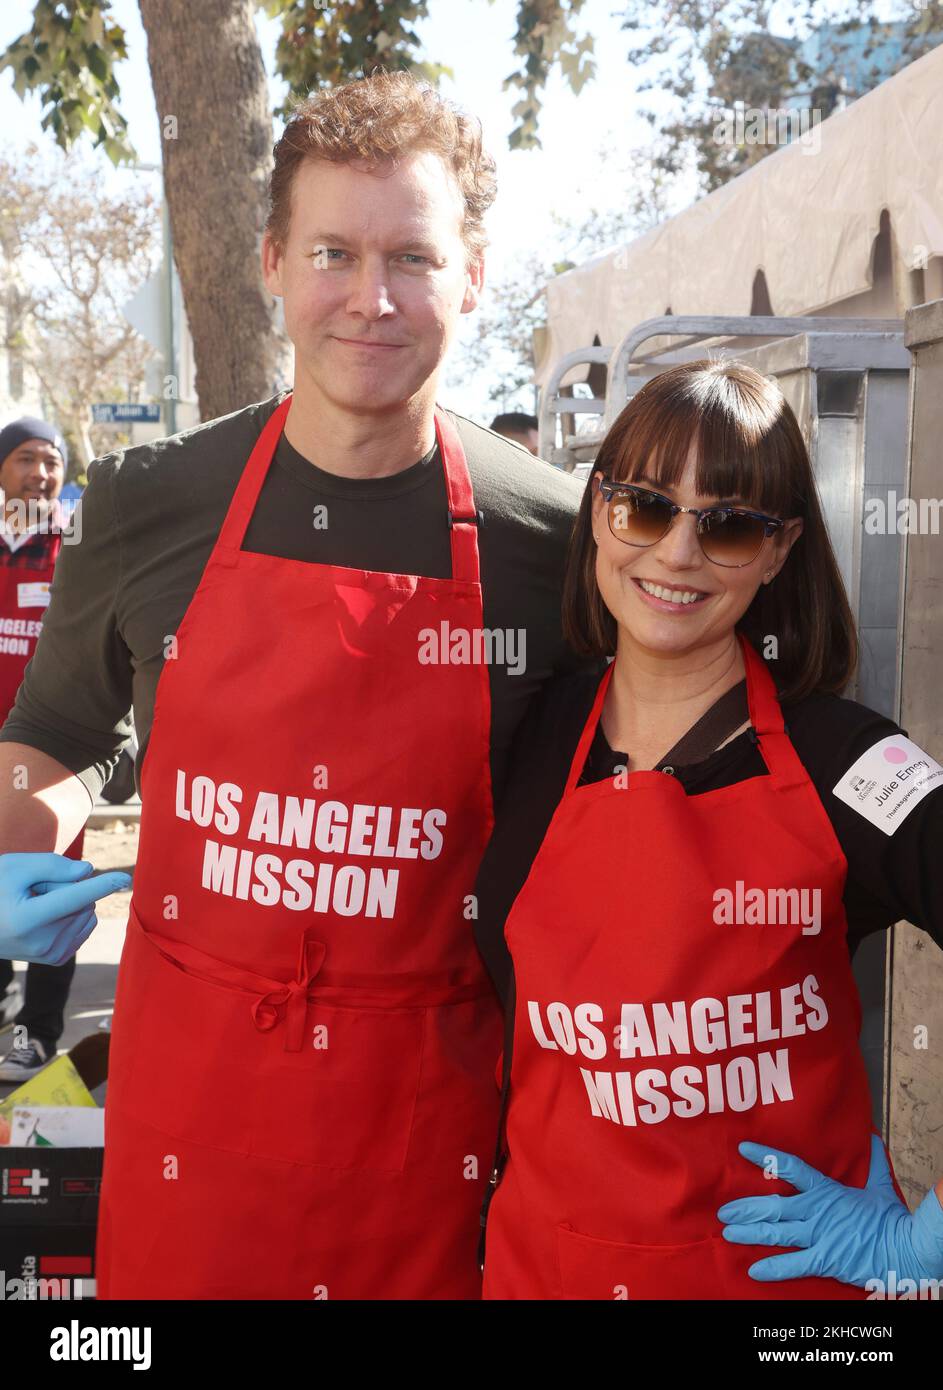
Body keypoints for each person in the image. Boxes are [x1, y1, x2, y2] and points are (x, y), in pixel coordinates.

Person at [0, 71, 583, 1299]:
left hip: (427, 1159)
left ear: (473, 275)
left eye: (412, 258)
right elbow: (52, 736)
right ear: (270, 260)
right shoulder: (152, 500)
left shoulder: (556, 541)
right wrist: (19, 849)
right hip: (185, 1149)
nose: (370, 299)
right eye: (332, 251)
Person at [475, 358, 943, 1300]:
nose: (676, 553)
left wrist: (930, 1235)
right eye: (645, 507)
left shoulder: (848, 761)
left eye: (727, 526)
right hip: (547, 1273)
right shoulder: (526, 732)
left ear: (778, 552)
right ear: (599, 512)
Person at [0, 417, 89, 1081]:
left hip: (58, 749)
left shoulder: (82, 541)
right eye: (27, 458)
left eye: (51, 461)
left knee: (57, 891)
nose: (41, 473)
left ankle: (36, 1033)